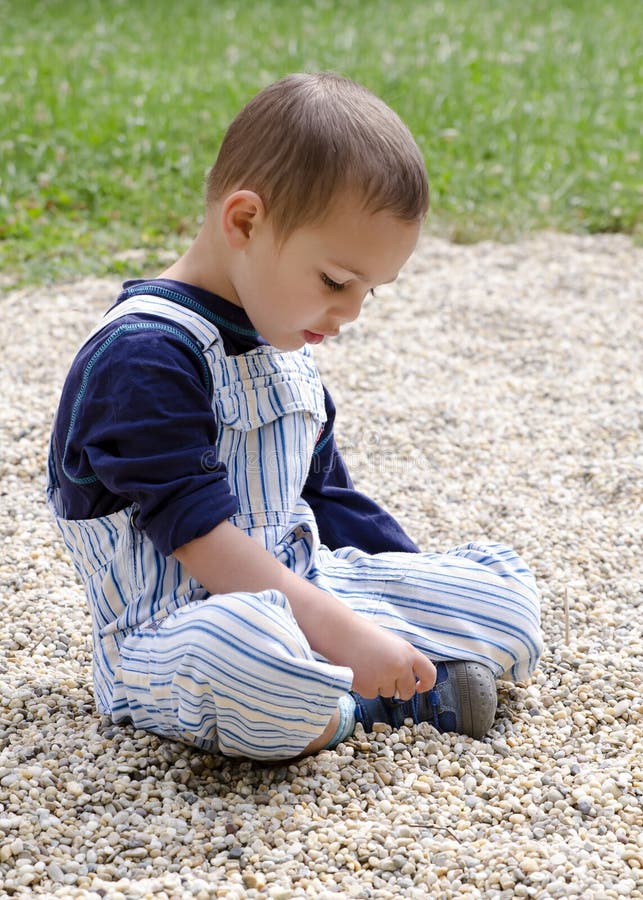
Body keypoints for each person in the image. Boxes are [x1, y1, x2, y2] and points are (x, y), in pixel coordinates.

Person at [46, 72, 543, 761]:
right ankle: (357, 703)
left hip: (301, 586)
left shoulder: (279, 336)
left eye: (370, 291)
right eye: (336, 282)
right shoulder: (143, 359)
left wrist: (397, 595)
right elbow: (202, 543)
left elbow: (326, 498)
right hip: (181, 631)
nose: (349, 314)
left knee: (508, 610)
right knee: (253, 662)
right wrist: (351, 637)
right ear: (245, 221)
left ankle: (352, 677)